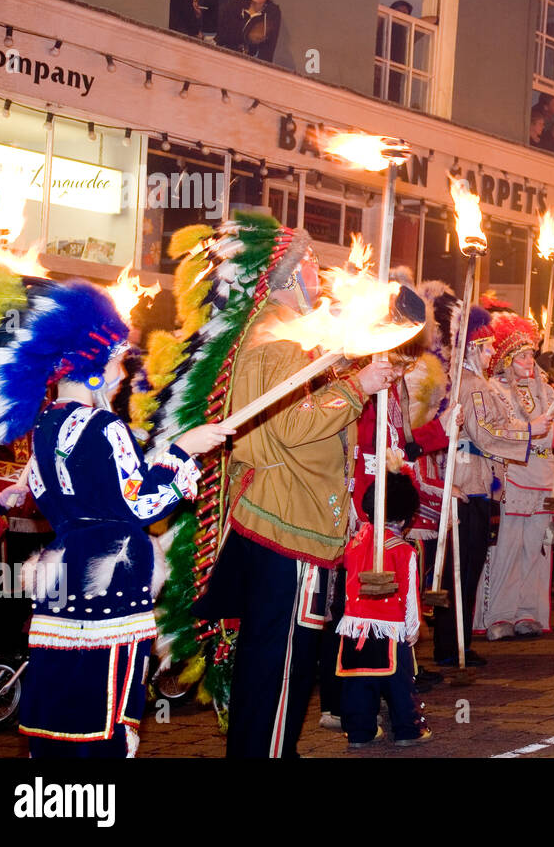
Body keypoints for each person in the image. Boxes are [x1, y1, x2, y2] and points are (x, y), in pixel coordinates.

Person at [0, 279, 230, 756]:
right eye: (116, 361)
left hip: (63, 585)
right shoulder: (105, 426)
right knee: (108, 720)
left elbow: (78, 497)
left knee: (59, 714)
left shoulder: (43, 426)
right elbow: (138, 505)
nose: (123, 373)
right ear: (92, 366)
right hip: (114, 586)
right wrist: (182, 454)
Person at [194, 230, 397, 757]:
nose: (320, 275)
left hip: (280, 515)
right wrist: (358, 388)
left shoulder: (274, 334)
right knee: (282, 660)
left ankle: (267, 749)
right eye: (311, 264)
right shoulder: (281, 338)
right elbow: (294, 424)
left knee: (274, 657)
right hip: (290, 522)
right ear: (291, 273)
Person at [434, 306, 533, 667]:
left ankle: (455, 643)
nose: (493, 354)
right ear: (474, 349)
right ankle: (451, 645)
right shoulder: (471, 385)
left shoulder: (477, 384)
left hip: (477, 480)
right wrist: (526, 434)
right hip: (467, 481)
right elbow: (484, 433)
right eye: (488, 348)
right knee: (461, 568)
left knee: (469, 566)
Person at [474, 312, 554, 640]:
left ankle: (528, 612)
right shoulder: (495, 389)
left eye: (532, 354)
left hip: (544, 473)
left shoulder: (544, 386)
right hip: (515, 472)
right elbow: (501, 430)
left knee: (536, 547)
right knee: (508, 547)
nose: (530, 361)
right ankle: (499, 615)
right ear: (508, 359)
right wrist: (542, 430)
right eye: (523, 355)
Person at [337, 471, 431, 750]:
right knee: (399, 683)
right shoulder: (403, 549)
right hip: (390, 626)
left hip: (354, 625)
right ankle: (407, 729)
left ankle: (360, 731)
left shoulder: (353, 544)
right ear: (403, 518)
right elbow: (410, 595)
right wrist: (413, 628)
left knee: (358, 681)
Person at [217, 0, 282, 62]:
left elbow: (269, 47)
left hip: (251, 61)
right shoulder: (237, 6)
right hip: (227, 55)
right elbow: (224, 33)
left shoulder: (271, 13)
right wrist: (247, 36)